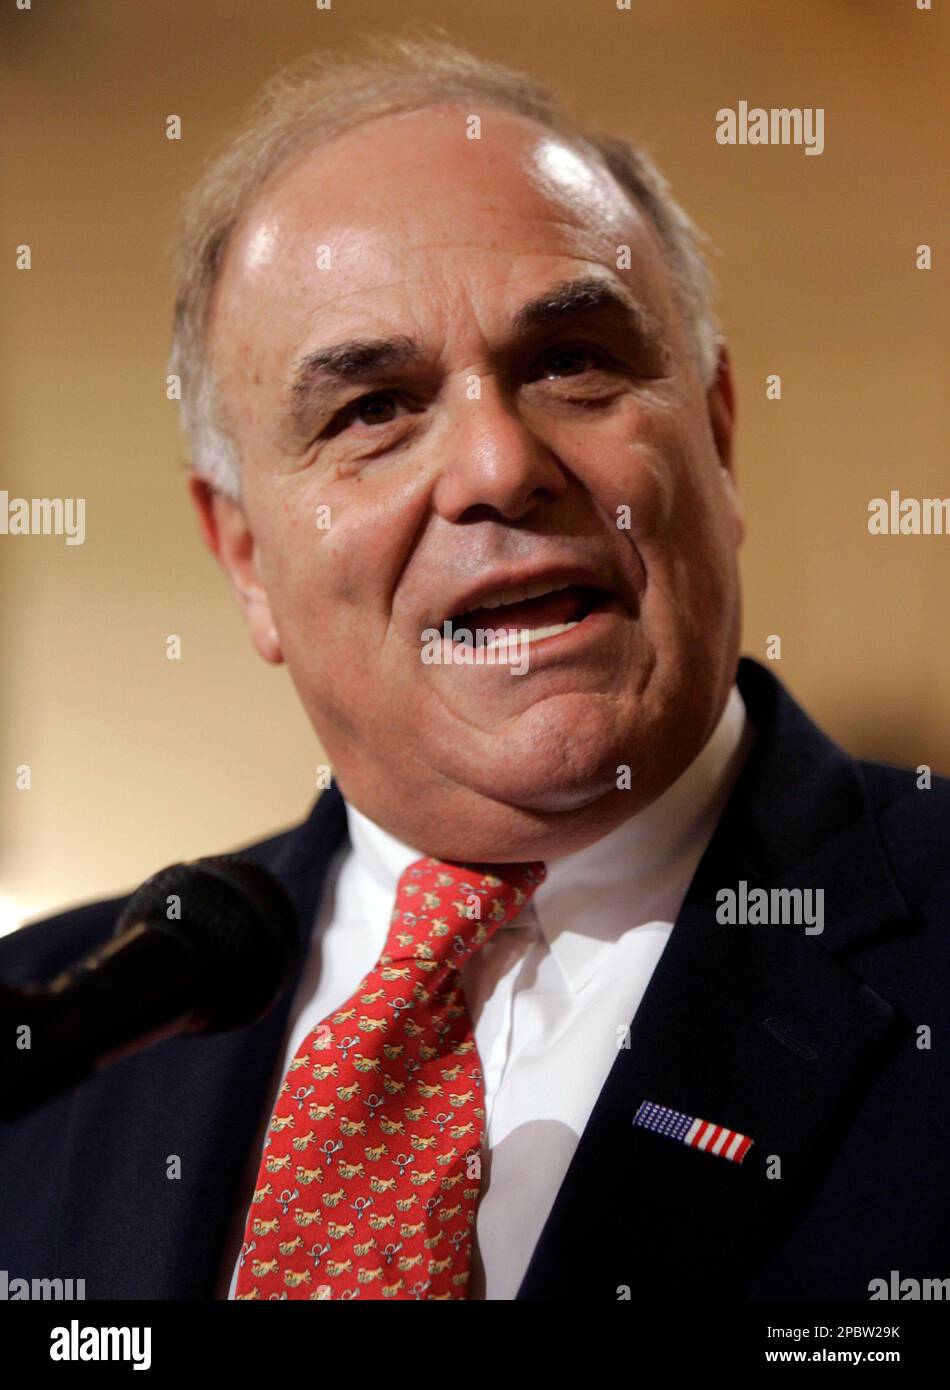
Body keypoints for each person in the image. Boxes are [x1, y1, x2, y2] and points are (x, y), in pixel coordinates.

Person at [1, 37, 947, 1302]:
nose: (500, 465)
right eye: (372, 408)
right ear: (242, 556)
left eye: (572, 363)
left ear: (716, 440)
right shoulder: (49, 1041)